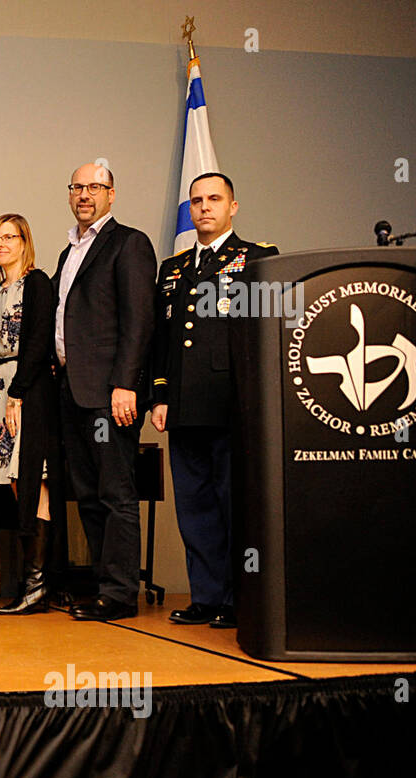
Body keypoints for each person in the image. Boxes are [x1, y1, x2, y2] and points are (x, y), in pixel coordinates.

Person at [150, 172, 278, 629]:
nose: (204, 207)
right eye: (197, 200)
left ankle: (238, 599)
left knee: (233, 505)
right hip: (184, 405)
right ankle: (205, 596)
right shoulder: (173, 268)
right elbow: (162, 339)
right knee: (195, 509)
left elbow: (266, 334)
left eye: (214, 199)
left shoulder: (257, 259)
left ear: (232, 206)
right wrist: (159, 394)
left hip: (232, 405)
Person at [53, 162, 157, 621]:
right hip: (71, 391)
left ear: (111, 194)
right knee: (88, 495)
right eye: (77, 187)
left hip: (109, 393)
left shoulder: (129, 243)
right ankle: (102, 586)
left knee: (116, 494)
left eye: (95, 187)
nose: (84, 194)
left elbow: (139, 321)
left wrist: (125, 384)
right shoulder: (68, 251)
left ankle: (119, 595)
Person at [0, 214, 59, 615]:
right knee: (14, 483)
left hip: (26, 389)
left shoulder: (37, 282)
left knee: (31, 479)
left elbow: (39, 339)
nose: (2, 244)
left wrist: (18, 393)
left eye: (10, 237)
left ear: (25, 242)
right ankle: (35, 582)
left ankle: (37, 585)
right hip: (1, 386)